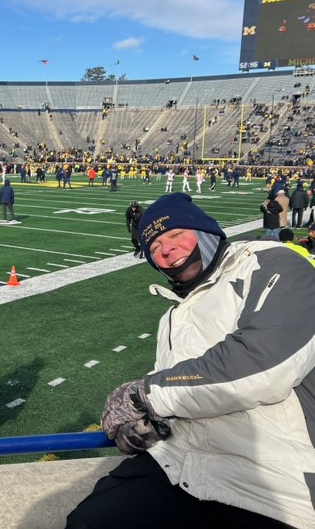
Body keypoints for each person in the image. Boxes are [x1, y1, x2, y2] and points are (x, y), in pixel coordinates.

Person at [66, 192, 315, 528]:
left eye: (176, 235)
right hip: (182, 464)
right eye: (154, 248)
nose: (166, 250)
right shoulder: (174, 314)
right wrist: (150, 423)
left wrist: (144, 396)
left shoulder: (273, 263)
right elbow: (183, 388)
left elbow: (263, 365)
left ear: (205, 230)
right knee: (91, 521)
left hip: (269, 480)